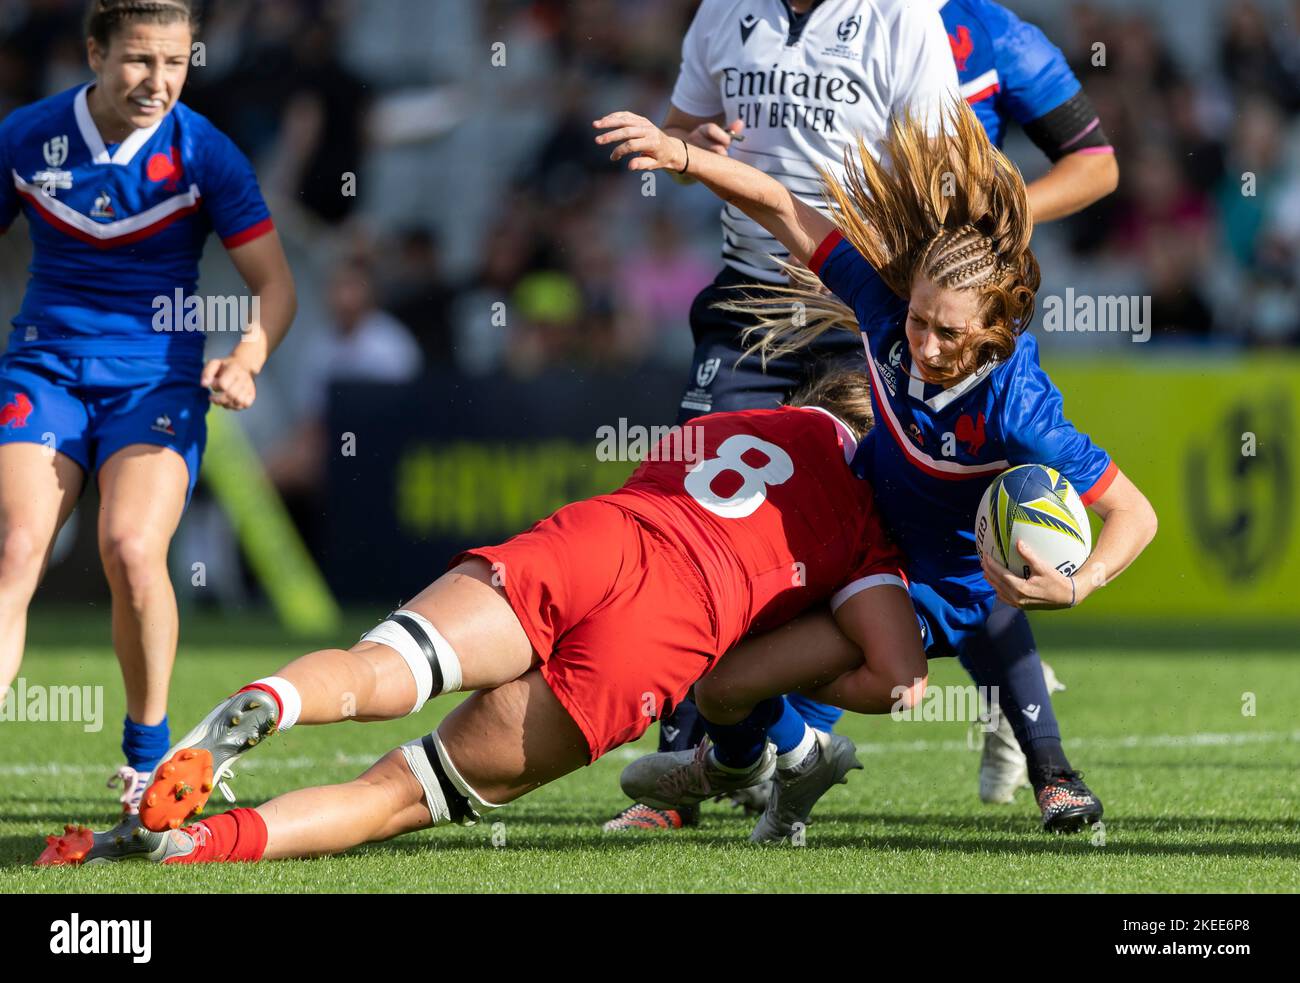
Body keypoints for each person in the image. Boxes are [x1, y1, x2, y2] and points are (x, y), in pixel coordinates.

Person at [36, 368, 928, 866]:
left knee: (380, 669)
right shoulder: (869, 533)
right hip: (661, 634)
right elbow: (893, 674)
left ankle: (271, 697)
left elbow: (679, 460)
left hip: (600, 536)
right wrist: (793, 651)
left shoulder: (751, 419)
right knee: (394, 794)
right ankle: (194, 845)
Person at [607, 0, 1120, 830]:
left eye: (945, 333)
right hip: (807, 331)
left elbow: (1131, 510)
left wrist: (1083, 581)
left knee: (971, 588)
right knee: (734, 570)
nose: (926, 343)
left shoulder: (1010, 401)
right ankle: (741, 761)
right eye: (922, 326)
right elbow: (772, 196)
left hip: (913, 353)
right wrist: (684, 153)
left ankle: (1043, 759)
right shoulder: (891, 321)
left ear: (985, 328)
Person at [0, 0, 295, 825]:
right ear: (94, 52)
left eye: (175, 62)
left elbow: (276, 284)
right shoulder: (27, 137)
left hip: (155, 386)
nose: (158, 81)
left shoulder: (206, 151)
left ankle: (147, 756)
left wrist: (246, 357)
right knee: (16, 546)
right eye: (138, 60)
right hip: (44, 369)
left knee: (131, 548)